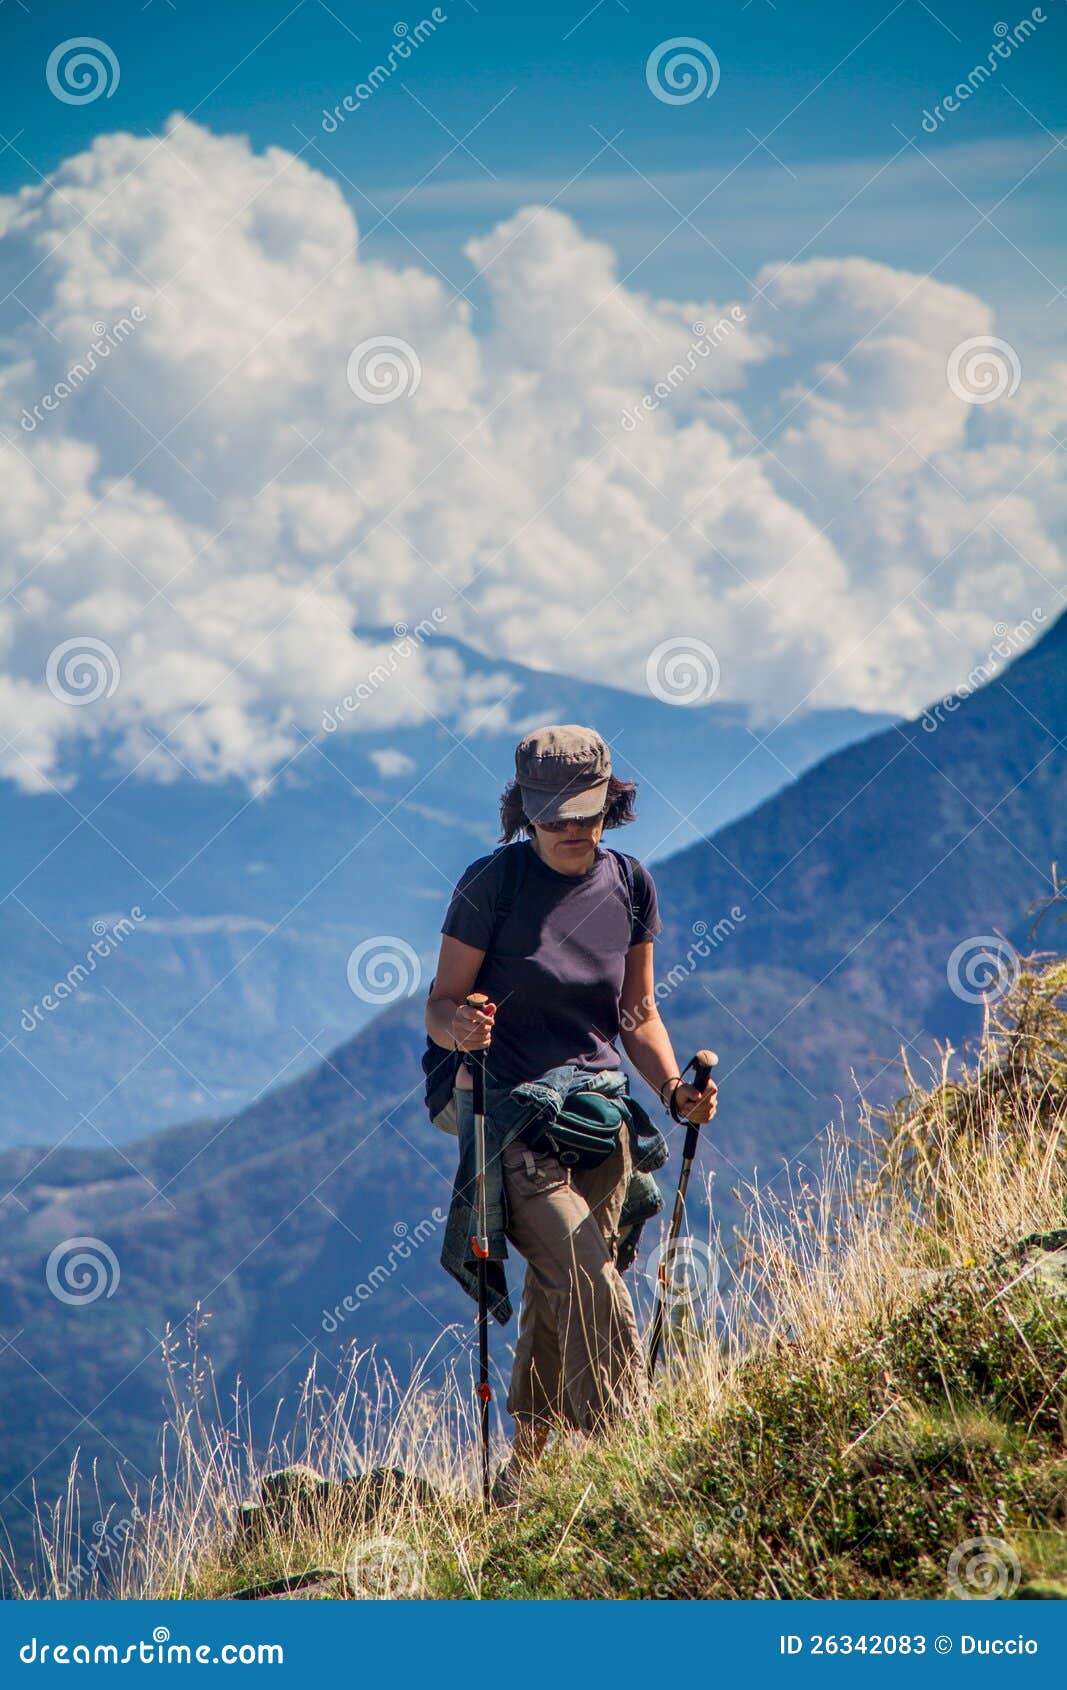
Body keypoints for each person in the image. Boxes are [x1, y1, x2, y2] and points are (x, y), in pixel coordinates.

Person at [426, 724, 717, 1503]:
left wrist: (670, 1091)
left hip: (597, 1114)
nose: (568, 828)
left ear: (609, 804)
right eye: (550, 814)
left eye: (583, 812)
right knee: (590, 1278)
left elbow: (637, 1013)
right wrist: (459, 1029)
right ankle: (632, 1462)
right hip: (510, 1113)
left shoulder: (629, 884)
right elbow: (439, 1005)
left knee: (560, 1291)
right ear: (522, 809)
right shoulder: (491, 884)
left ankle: (527, 1472)